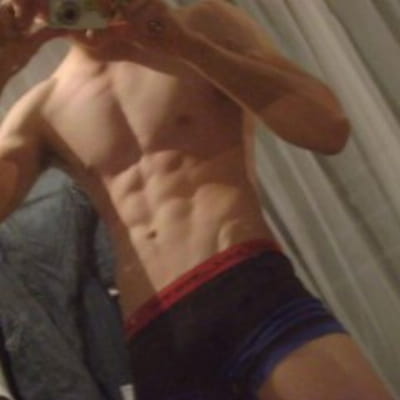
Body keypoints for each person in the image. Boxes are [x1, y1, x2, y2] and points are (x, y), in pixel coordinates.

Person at [0, 0, 394, 399]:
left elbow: (328, 129)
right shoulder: (40, 110)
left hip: (248, 289)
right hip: (155, 337)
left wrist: (186, 45)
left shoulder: (200, 24)